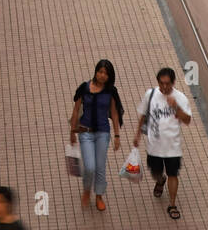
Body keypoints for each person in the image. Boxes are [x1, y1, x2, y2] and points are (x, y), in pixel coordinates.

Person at [132, 67, 192, 221]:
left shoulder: (181, 98)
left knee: (173, 174)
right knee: (155, 172)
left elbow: (187, 120)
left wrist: (176, 107)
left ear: (173, 82)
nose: (164, 87)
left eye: (168, 84)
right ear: (158, 82)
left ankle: (172, 205)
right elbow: (143, 114)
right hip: (154, 146)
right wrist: (137, 134)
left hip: (173, 147)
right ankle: (160, 180)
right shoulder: (150, 94)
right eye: (161, 83)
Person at [70, 60, 124, 212]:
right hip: (85, 132)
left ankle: (99, 195)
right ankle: (87, 189)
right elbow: (76, 110)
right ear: (95, 72)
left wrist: (117, 135)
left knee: (100, 167)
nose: (102, 76)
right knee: (89, 166)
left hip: (102, 133)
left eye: (106, 73)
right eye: (100, 72)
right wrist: (72, 131)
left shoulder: (110, 91)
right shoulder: (84, 88)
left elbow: (114, 113)